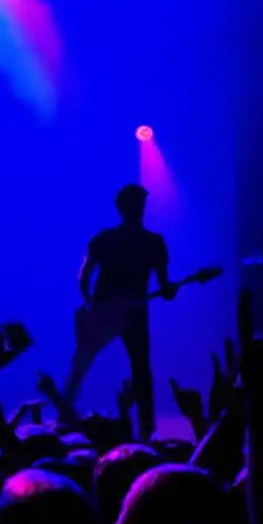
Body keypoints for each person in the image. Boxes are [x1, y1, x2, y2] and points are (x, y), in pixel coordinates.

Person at [63, 184, 176, 439]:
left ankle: (145, 426)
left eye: (140, 203)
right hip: (116, 311)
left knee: (131, 368)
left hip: (121, 311)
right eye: (135, 204)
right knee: (94, 364)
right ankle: (144, 426)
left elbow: (85, 276)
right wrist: (90, 302)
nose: (139, 209)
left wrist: (90, 302)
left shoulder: (146, 243)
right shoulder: (143, 242)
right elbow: (85, 276)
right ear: (125, 207)